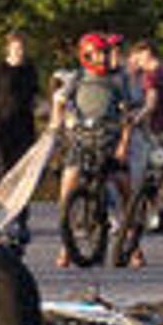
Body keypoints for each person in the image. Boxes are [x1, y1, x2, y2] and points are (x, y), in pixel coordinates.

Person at [46, 32, 131, 266]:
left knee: (124, 185)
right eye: (98, 54)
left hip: (108, 139)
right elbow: (60, 100)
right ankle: (66, 245)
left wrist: (124, 143)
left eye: (105, 53)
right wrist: (57, 124)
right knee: (68, 184)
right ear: (86, 55)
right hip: (81, 139)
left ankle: (131, 242)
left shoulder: (116, 80)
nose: (103, 58)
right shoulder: (77, 78)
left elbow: (127, 115)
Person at [115, 41, 163, 260]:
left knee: (145, 179)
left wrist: (136, 119)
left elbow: (151, 104)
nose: (136, 62)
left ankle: (152, 214)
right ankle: (162, 210)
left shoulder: (151, 76)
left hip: (157, 132)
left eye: (138, 57)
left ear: (147, 54)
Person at [0, 32, 41, 179]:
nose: (20, 51)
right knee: (4, 163)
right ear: (9, 49)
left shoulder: (29, 68)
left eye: (22, 48)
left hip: (25, 123)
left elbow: (36, 96)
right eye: (17, 48)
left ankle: (21, 197)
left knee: (25, 162)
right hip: (3, 123)